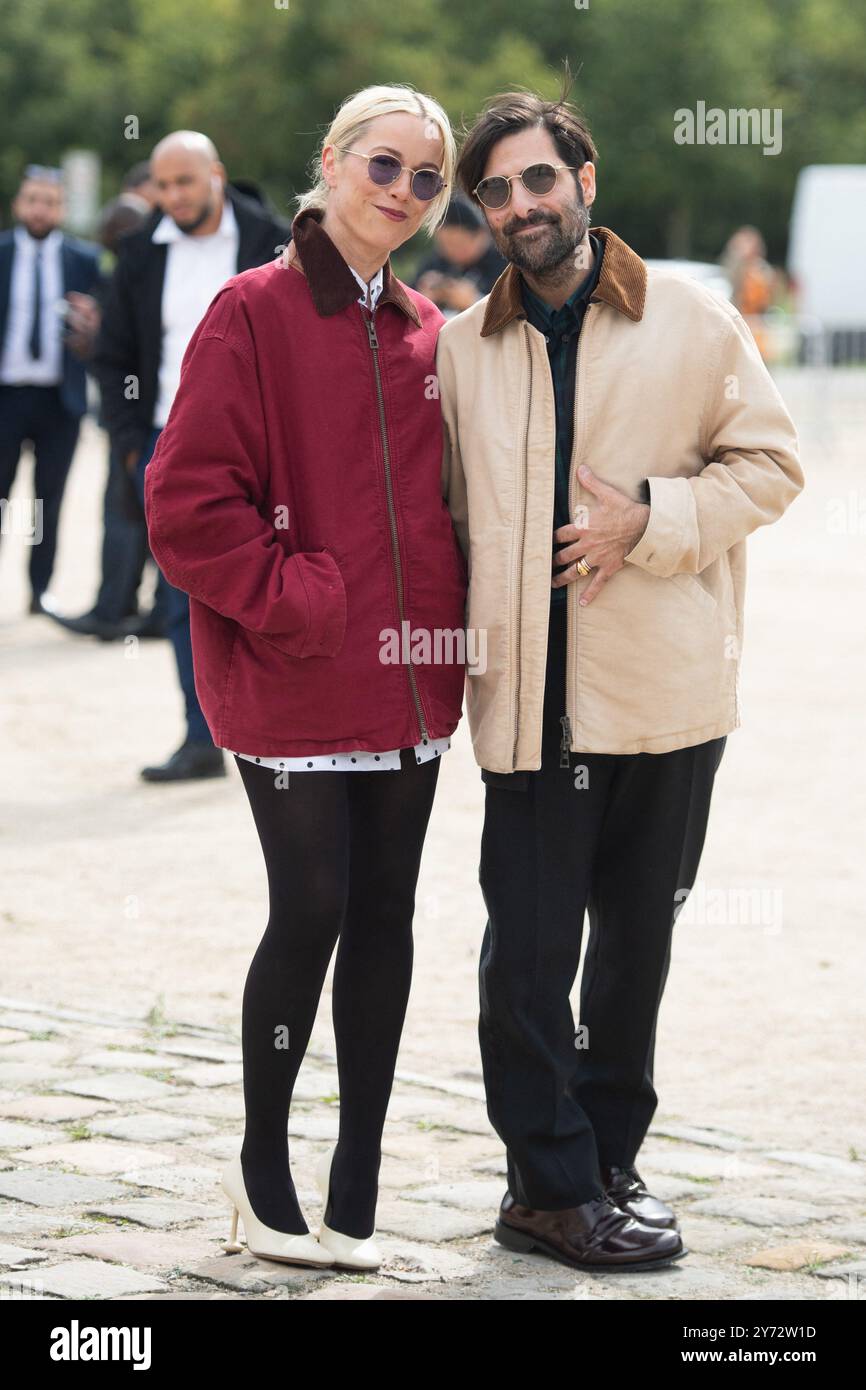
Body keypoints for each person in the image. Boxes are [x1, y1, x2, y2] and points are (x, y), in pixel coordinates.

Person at [437, 84, 804, 1273]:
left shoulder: (695, 325)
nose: (518, 205)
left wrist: (649, 518)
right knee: (529, 959)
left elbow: (770, 466)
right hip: (527, 703)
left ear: (583, 182)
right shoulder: (461, 345)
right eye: (493, 191)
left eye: (536, 179)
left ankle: (602, 1156)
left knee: (634, 946)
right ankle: (544, 1187)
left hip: (664, 692)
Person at [143, 84, 466, 1269]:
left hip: (412, 686)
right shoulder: (251, 311)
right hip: (293, 677)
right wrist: (300, 602)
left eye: (427, 180)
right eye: (384, 164)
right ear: (331, 162)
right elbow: (184, 505)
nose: (403, 191)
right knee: (312, 909)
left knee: (387, 917)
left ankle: (359, 1176)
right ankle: (260, 1168)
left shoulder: (432, 330)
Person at [91, 132, 291, 781]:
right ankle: (201, 736)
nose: (173, 197)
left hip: (266, 443)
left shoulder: (277, 240)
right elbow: (113, 354)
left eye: (185, 182)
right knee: (185, 595)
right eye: (163, 185)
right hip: (171, 445)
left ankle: (281, 732)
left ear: (217, 176)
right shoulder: (140, 254)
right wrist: (129, 449)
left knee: (279, 584)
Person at [0, 164, 102, 613]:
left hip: (60, 400)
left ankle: (39, 591)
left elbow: (104, 329)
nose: (40, 208)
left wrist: (94, 325)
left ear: (61, 208)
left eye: (50, 201)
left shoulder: (84, 260)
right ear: (18, 204)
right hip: (5, 396)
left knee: (48, 500)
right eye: (33, 199)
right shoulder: (1, 253)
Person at [412, 193, 506, 314]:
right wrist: (421, 298)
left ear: (481, 235)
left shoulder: (504, 264)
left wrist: (474, 301)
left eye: (458, 244)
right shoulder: (436, 262)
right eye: (444, 245)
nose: (451, 250)